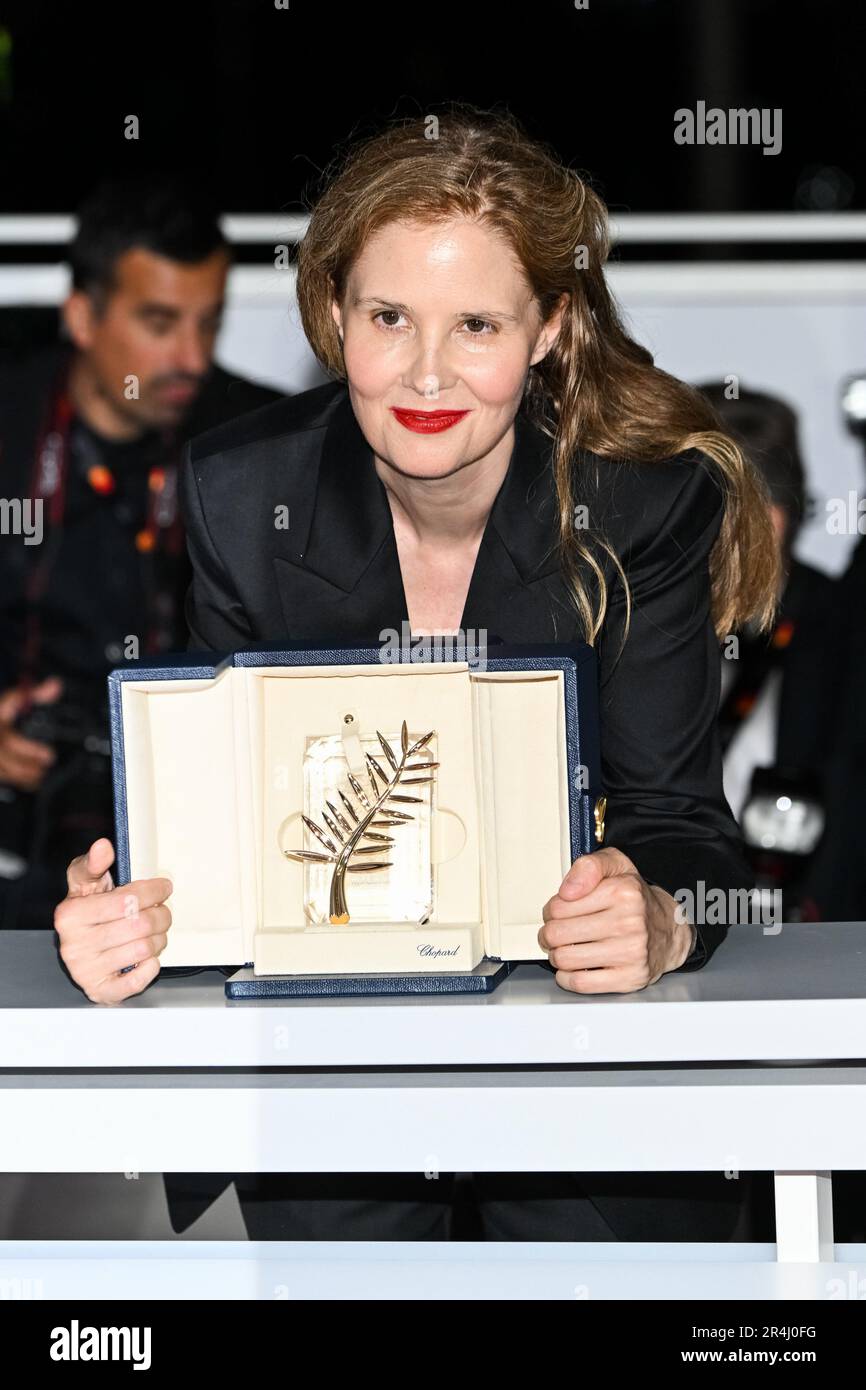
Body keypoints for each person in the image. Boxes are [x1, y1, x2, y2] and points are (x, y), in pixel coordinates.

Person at [53, 106, 779, 1242]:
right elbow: (225, 824)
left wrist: (661, 919)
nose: (427, 372)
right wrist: (127, 912)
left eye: (477, 323)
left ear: (547, 329)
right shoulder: (242, 494)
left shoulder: (642, 503)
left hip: (581, 1083)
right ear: (332, 314)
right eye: (389, 315)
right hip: (334, 1079)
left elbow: (678, 823)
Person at [0, 175, 283, 927]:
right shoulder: (10, 422)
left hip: (201, 817)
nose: (190, 357)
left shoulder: (257, 442)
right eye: (160, 322)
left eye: (209, 323)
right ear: (82, 318)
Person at [696, 383, 842, 915]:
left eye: (759, 507)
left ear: (786, 513)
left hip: (812, 920)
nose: (733, 534)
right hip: (669, 910)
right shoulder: (637, 614)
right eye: (712, 506)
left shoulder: (838, 618)